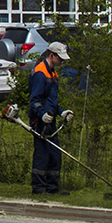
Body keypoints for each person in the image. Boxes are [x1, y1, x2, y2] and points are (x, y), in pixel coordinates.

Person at [28, 41, 74, 194]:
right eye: (60, 58)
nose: (62, 62)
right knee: (42, 154)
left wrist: (61, 112)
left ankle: (52, 187)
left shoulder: (53, 73)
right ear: (52, 55)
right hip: (40, 120)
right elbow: (35, 100)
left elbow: (51, 100)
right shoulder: (40, 73)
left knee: (55, 154)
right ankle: (38, 187)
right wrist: (42, 115)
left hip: (51, 118)